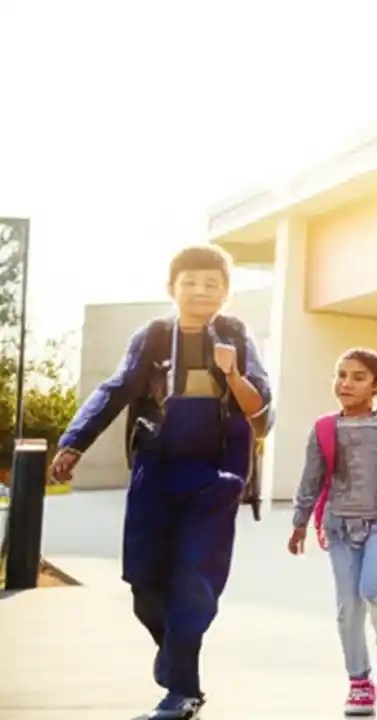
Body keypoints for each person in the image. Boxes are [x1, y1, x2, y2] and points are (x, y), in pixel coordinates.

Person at [50, 245, 272, 719]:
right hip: (156, 470)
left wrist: (231, 371)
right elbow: (115, 389)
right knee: (144, 585)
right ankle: (174, 657)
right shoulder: (152, 337)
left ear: (227, 293)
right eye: (190, 281)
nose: (201, 291)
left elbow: (260, 411)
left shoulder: (235, 334)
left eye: (213, 283)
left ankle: (182, 689)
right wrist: (74, 442)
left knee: (194, 582)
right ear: (171, 288)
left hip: (215, 476)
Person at [288, 348, 377, 716]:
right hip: (339, 527)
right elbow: (311, 478)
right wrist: (299, 522)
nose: (346, 383)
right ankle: (359, 682)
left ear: (376, 385)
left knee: (373, 587)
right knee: (348, 608)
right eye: (341, 374)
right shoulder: (324, 428)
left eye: (358, 377)